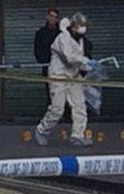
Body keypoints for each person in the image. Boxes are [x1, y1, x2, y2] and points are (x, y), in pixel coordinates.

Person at [35, 13, 97, 147]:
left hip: (74, 77)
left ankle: (77, 135)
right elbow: (70, 57)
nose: (83, 29)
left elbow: (78, 60)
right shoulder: (63, 38)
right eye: (81, 26)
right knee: (57, 109)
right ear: (73, 26)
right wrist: (86, 60)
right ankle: (42, 130)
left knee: (80, 106)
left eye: (84, 26)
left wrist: (89, 67)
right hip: (59, 76)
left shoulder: (80, 40)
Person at [34, 8, 60, 102]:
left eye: (55, 17)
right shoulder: (41, 33)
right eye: (51, 16)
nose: (53, 19)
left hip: (61, 68)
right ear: (47, 17)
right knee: (50, 91)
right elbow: (37, 50)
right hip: (47, 67)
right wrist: (44, 62)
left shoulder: (62, 34)